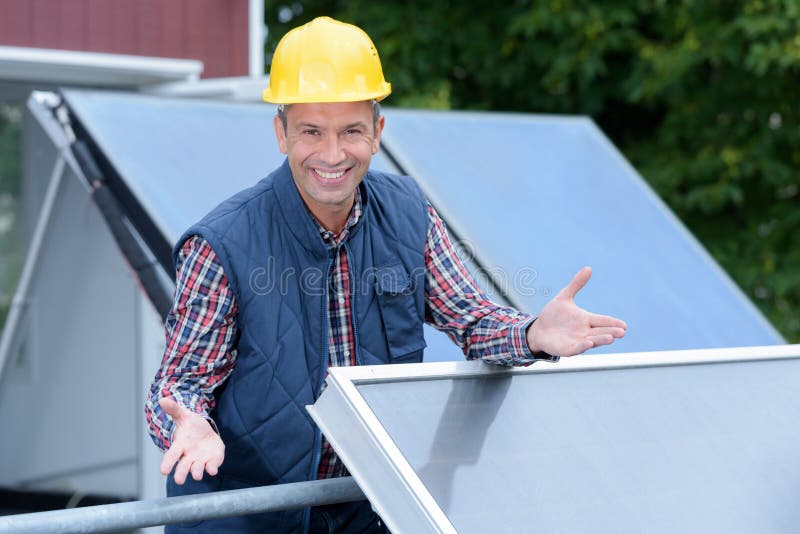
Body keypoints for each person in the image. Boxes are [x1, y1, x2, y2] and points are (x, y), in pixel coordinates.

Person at [145, 16, 627, 533]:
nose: (333, 155)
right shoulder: (221, 243)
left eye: (351, 131)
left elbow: (473, 319)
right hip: (247, 516)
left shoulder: (408, 215)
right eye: (312, 131)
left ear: (377, 133)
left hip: (366, 507)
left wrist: (531, 334)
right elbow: (179, 384)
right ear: (281, 134)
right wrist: (190, 424)